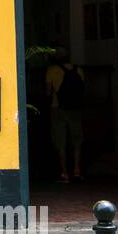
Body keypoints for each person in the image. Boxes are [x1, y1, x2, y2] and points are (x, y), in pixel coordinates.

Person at [45, 47, 85, 183]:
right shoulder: (79, 70)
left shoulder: (52, 70)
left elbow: (48, 92)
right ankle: (77, 171)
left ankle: (64, 173)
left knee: (60, 141)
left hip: (58, 109)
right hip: (76, 110)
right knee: (77, 141)